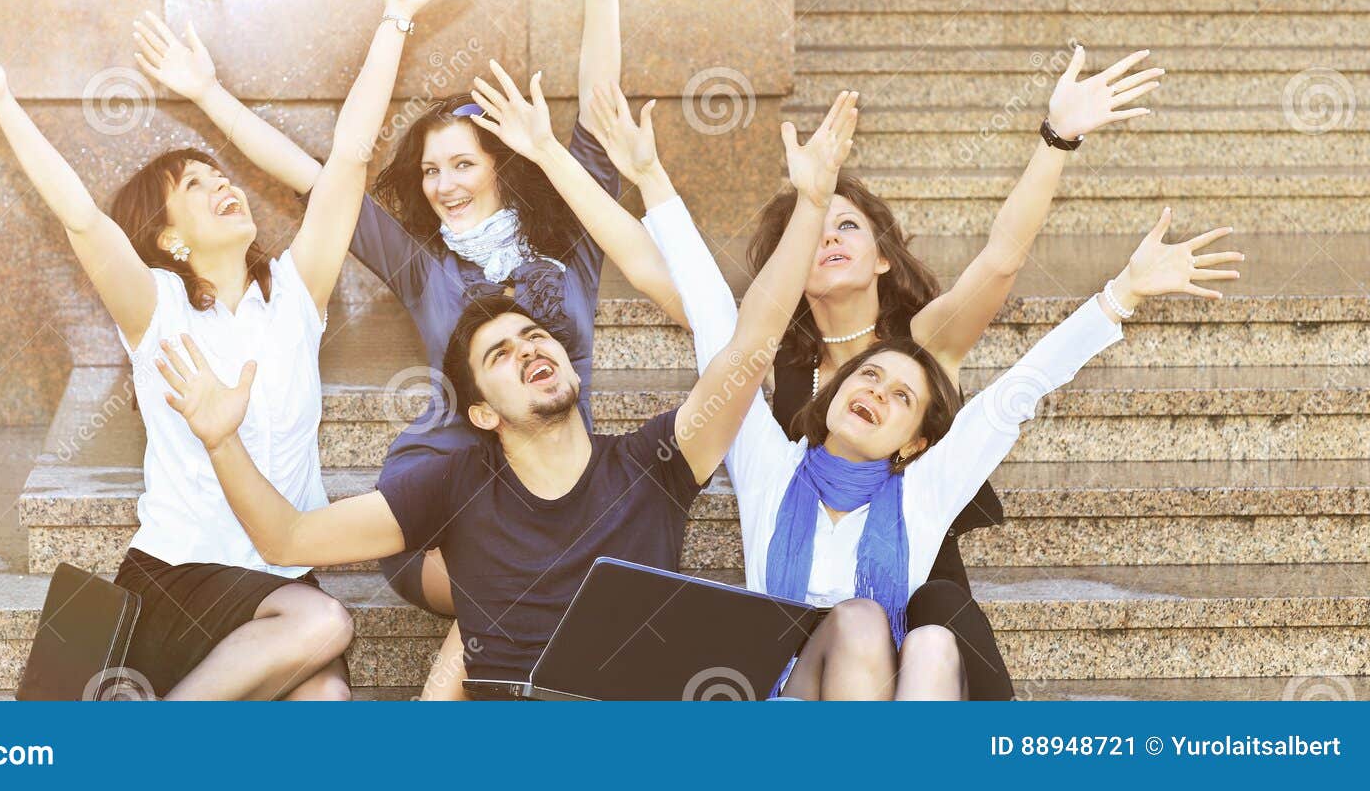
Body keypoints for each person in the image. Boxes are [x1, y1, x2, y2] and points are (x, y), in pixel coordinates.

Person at [131, 0, 686, 696]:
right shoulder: (423, 265)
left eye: (461, 164)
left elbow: (600, 116)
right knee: (541, 564)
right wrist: (208, 92)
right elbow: (318, 178)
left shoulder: (572, 244)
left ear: (501, 162)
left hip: (561, 483)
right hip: (442, 502)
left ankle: (452, 691)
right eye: (429, 171)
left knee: (581, 558)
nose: (442, 184)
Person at [147, 96, 855, 693]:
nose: (529, 348)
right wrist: (221, 441)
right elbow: (287, 538)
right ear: (480, 411)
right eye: (500, 354)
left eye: (536, 336)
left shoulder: (654, 464)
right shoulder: (452, 489)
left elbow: (750, 343)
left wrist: (813, 204)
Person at [0, 0, 474, 700]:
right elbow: (81, 219)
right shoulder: (155, 307)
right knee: (326, 625)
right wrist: (0, 98)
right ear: (168, 236)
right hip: (180, 577)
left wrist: (394, 21)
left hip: (282, 576)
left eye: (222, 176)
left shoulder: (296, 296)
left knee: (330, 701)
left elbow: (347, 161)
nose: (223, 187)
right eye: (195, 185)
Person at [586, 85, 1243, 699]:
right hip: (790, 700)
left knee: (929, 641)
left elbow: (1021, 379)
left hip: (894, 673)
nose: (878, 391)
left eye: (902, 397)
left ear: (917, 443)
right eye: (869, 376)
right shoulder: (769, 462)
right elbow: (712, 321)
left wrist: (1121, 292)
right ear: (830, 395)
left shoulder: (924, 485)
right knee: (860, 620)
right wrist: (649, 177)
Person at [739, 46, 1162, 697]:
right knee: (864, 624)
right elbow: (681, 289)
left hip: (910, 570)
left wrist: (1057, 139)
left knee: (934, 621)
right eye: (812, 230)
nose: (829, 237)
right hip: (797, 622)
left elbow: (1000, 263)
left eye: (847, 225)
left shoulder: (923, 345)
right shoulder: (767, 369)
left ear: (883, 257)